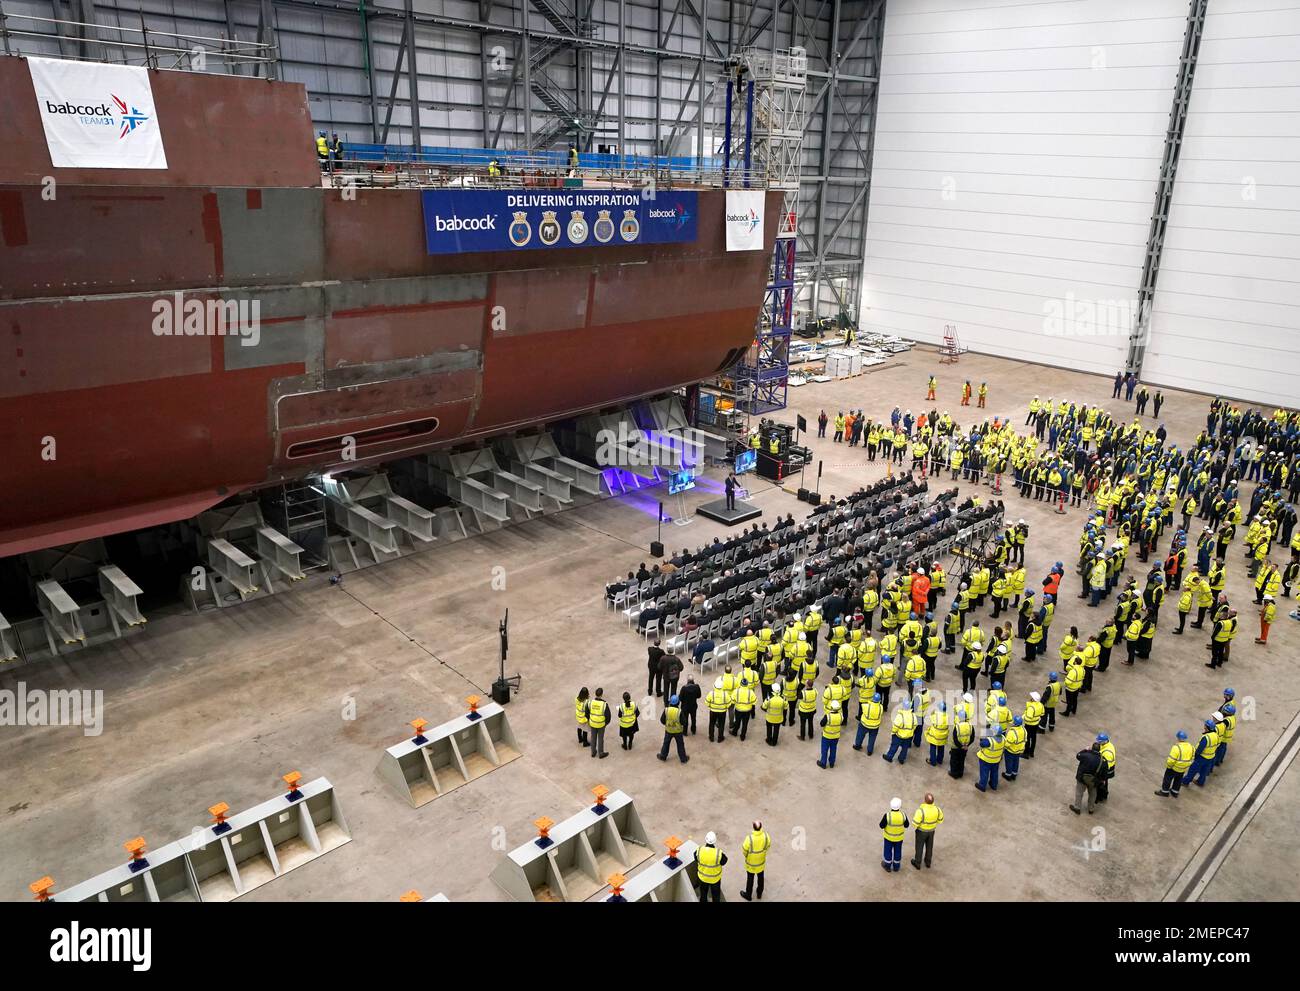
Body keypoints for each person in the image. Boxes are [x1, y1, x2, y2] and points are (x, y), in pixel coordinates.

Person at [1156, 730, 1193, 797]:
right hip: (1183, 769)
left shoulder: (1176, 748)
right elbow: (1192, 757)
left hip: (1174, 768)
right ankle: (1175, 792)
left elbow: (1171, 761)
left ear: (1178, 738)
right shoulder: (1191, 747)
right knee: (1178, 780)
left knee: (1167, 779)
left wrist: (1169, 767)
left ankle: (1165, 792)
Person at [1183, 719, 1220, 788]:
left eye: (1205, 725)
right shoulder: (1216, 735)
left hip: (1202, 757)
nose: (1204, 726)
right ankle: (1200, 782)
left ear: (1207, 727)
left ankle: (1185, 782)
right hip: (1211, 757)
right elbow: (1217, 745)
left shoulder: (1206, 737)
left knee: (1193, 770)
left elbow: (1200, 749)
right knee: (1204, 771)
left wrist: (1195, 756)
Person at [911, 793, 943, 870]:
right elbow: (940, 820)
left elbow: (915, 824)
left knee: (919, 847)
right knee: (929, 846)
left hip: (921, 832)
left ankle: (917, 863)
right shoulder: (937, 809)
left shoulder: (920, 811)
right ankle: (928, 862)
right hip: (932, 831)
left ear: (925, 801)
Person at [740, 821, 771, 901]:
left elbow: (744, 850)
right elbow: (768, 846)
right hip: (761, 862)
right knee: (761, 877)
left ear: (753, 827)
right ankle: (759, 893)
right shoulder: (766, 836)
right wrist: (762, 853)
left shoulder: (749, 838)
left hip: (751, 863)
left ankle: (748, 895)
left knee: (750, 879)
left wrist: (747, 856)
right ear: (761, 827)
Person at [1071, 740, 1104, 814]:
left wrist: (1085, 750)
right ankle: (1091, 809)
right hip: (1094, 781)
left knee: (1079, 792)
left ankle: (1077, 808)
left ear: (1092, 748)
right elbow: (1104, 772)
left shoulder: (1086, 755)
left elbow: (1078, 755)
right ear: (1099, 750)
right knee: (1092, 794)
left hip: (1082, 778)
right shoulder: (1102, 760)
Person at [656, 695, 689, 763]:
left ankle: (663, 756)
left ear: (670, 702)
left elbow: (662, 720)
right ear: (678, 703)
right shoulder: (679, 711)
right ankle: (683, 759)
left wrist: (668, 724)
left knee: (666, 743)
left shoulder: (666, 710)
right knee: (680, 745)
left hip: (669, 730)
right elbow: (684, 722)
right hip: (678, 731)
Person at [880, 798, 909, 873]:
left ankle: (887, 866)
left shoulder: (887, 815)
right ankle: (896, 867)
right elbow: (907, 825)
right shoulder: (903, 815)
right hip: (899, 838)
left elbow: (881, 825)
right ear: (899, 806)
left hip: (888, 838)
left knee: (888, 851)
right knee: (898, 852)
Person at [695, 832, 726, 901]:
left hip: (703, 878)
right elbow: (724, 861)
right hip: (715, 879)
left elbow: (696, 858)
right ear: (715, 841)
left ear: (706, 840)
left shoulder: (699, 850)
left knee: (703, 894)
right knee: (716, 896)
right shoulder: (718, 853)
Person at [817, 699, 844, 769]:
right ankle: (832, 763)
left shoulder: (827, 716)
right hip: (836, 736)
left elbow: (821, 724)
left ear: (831, 707)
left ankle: (823, 763)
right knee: (833, 749)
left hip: (827, 736)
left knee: (824, 750)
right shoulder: (841, 716)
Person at [975, 727, 1003, 792]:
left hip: (986, 760)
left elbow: (981, 744)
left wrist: (983, 738)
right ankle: (994, 785)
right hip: (996, 760)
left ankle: (982, 785)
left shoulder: (989, 741)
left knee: (984, 772)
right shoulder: (1003, 738)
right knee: (995, 772)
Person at [585, 687, 610, 758]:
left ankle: (593, 752)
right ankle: (601, 753)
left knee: (593, 738)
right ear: (601, 694)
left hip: (592, 724)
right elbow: (608, 716)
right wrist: (605, 724)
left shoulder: (590, 703)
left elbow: (586, 713)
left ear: (595, 694)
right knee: (600, 738)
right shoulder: (604, 704)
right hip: (601, 724)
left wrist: (590, 720)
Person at [706, 677, 731, 742]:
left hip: (713, 711)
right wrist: (725, 707)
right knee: (721, 725)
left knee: (711, 724)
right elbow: (729, 703)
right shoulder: (725, 694)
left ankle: (711, 737)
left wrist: (711, 706)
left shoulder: (711, 693)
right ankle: (720, 738)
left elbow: (707, 702)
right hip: (722, 712)